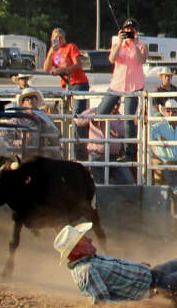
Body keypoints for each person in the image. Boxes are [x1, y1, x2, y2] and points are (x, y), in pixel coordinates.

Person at [54, 221, 177, 305]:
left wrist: (138, 268)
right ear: (76, 250)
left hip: (152, 276)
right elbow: (103, 303)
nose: (90, 240)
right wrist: (150, 301)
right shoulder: (87, 270)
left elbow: (116, 278)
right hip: (158, 288)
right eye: (84, 240)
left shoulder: (90, 262)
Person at [98, 19, 149, 160]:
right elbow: (112, 59)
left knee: (128, 119)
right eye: (126, 29)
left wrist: (135, 44)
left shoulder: (142, 46)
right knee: (100, 113)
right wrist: (120, 42)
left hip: (133, 87)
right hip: (116, 85)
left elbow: (141, 60)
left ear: (136, 31)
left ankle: (129, 153)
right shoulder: (117, 44)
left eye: (131, 30)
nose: (129, 32)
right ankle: (101, 143)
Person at [73, 105, 133, 185]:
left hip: (114, 157)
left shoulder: (118, 116)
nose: (115, 106)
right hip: (97, 155)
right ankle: (104, 194)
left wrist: (109, 122)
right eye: (114, 103)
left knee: (127, 180)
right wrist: (95, 115)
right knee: (99, 183)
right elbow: (78, 120)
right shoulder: (95, 110)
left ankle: (110, 193)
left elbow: (124, 131)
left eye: (118, 104)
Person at [43, 28, 90, 115]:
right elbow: (46, 68)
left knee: (78, 112)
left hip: (78, 83)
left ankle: (78, 128)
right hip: (66, 84)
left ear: (64, 38)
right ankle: (70, 127)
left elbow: (78, 65)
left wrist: (63, 70)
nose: (58, 40)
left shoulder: (71, 47)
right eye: (55, 37)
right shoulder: (54, 52)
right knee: (66, 111)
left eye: (60, 37)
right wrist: (50, 52)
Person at [17, 88, 64, 158]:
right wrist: (20, 142)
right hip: (22, 158)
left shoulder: (44, 118)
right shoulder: (16, 120)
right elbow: (7, 141)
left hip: (40, 157)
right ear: (23, 103)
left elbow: (55, 138)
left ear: (37, 101)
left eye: (33, 98)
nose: (31, 100)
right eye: (27, 98)